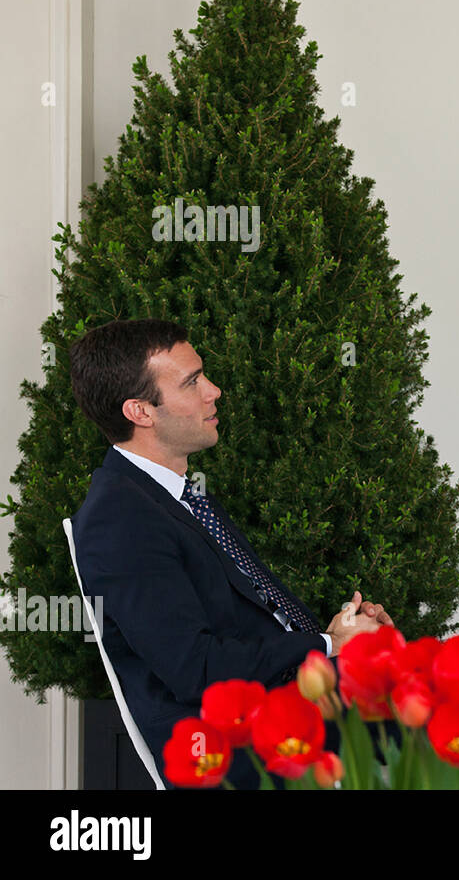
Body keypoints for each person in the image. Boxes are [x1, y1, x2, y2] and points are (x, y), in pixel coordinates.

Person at [69, 319, 392, 787]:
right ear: (141, 411)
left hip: (285, 704)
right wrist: (330, 648)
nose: (214, 390)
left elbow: (248, 622)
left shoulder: (175, 495)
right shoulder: (121, 519)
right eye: (192, 381)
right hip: (234, 746)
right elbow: (195, 668)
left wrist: (339, 636)